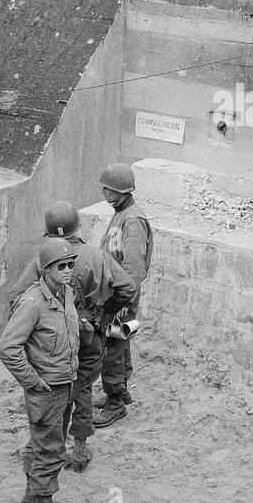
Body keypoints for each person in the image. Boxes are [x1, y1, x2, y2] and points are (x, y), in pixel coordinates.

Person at [10, 201, 136, 471]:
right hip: (90, 335)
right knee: (82, 390)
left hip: (55, 340)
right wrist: (104, 314)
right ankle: (78, 451)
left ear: (49, 233)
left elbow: (17, 297)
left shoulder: (44, 261)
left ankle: (43, 449)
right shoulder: (97, 256)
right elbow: (127, 288)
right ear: (77, 227)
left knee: (54, 392)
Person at [0, 237, 81, 503]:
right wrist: (31, 380)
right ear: (45, 270)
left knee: (41, 444)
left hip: (65, 383)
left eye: (71, 264)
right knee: (49, 452)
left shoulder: (65, 295)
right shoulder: (33, 303)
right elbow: (7, 347)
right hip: (45, 389)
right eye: (61, 266)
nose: (68, 270)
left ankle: (32, 498)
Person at [94, 162, 153, 428]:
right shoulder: (121, 213)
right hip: (114, 293)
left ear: (119, 191)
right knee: (119, 343)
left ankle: (115, 402)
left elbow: (132, 267)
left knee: (112, 349)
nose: (104, 193)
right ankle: (120, 391)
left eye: (107, 189)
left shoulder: (133, 221)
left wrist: (121, 302)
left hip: (120, 296)